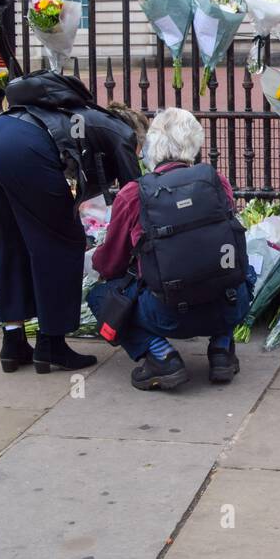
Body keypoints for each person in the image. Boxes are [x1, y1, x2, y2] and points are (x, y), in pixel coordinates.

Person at [0, 70, 142, 375]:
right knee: (62, 242)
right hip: (23, 148)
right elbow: (136, 193)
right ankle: (51, 344)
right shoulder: (123, 133)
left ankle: (13, 343)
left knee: (7, 239)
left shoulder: (81, 115)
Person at [88, 108, 252, 391]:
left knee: (101, 296)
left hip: (167, 314)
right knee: (241, 268)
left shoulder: (133, 193)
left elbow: (109, 264)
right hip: (228, 303)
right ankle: (222, 348)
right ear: (195, 143)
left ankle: (161, 356)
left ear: (152, 146)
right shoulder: (216, 182)